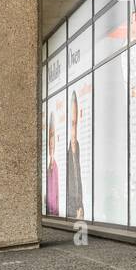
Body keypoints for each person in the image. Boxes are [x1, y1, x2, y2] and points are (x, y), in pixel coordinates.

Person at [65, 92, 84, 220]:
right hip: (70, 208)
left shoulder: (78, 147)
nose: (74, 130)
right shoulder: (66, 153)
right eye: (72, 124)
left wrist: (80, 206)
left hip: (78, 208)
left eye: (76, 124)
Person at [44, 114, 60, 216]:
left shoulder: (56, 165)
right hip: (48, 212)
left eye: (53, 135)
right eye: (50, 135)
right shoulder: (48, 163)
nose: (51, 141)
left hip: (56, 213)